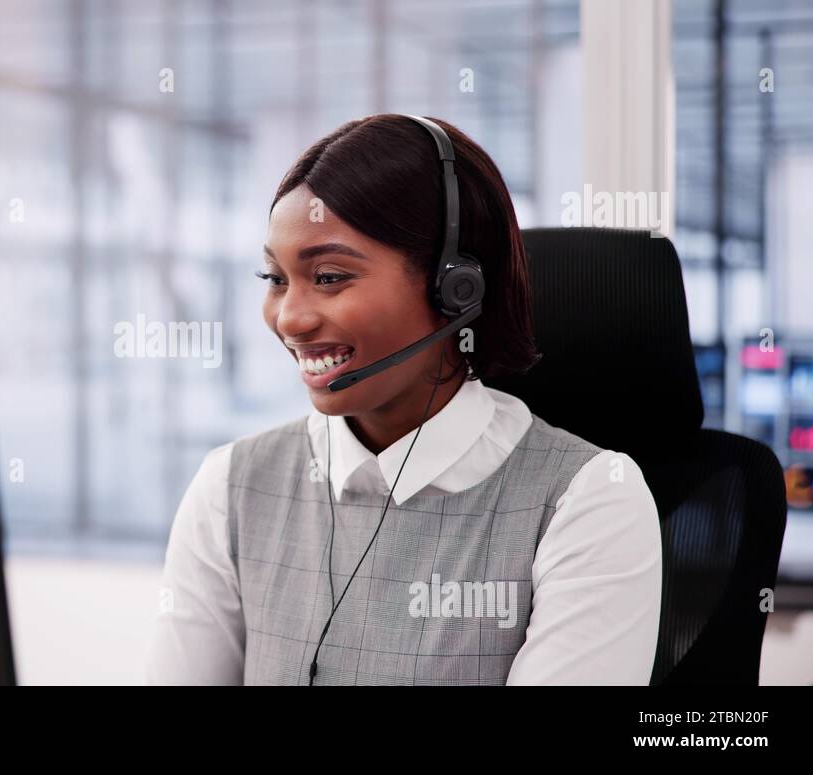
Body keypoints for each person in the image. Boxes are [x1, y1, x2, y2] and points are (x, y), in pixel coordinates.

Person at [145, 114, 662, 685]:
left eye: (330, 276)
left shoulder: (590, 502)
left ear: (455, 287)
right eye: (275, 278)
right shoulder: (231, 486)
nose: (289, 318)